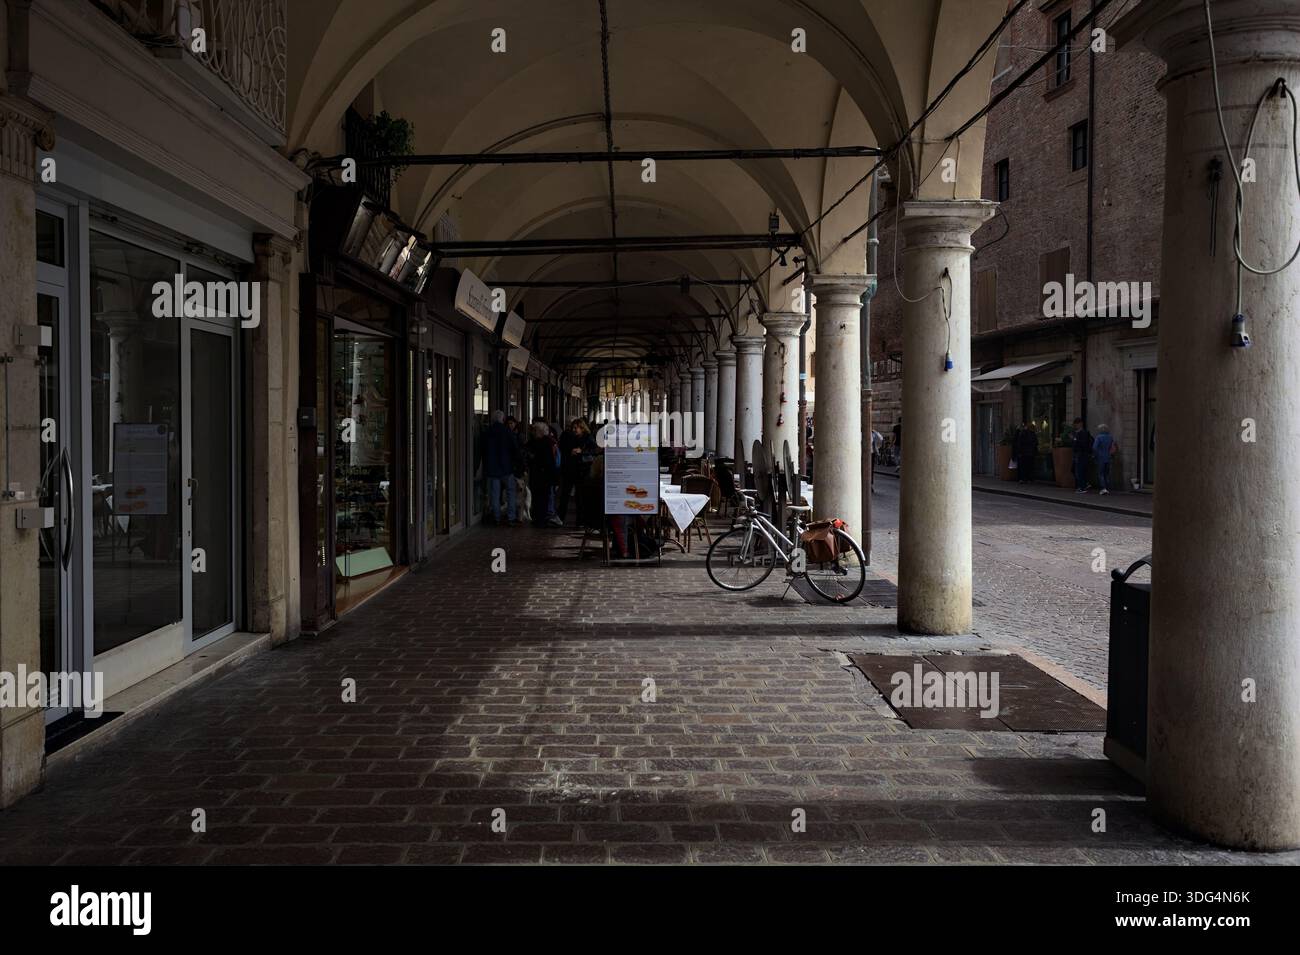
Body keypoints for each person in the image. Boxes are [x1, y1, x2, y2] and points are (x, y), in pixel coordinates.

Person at [557, 418, 597, 525]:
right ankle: (560, 518)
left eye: (576, 428)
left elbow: (594, 450)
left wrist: (582, 451)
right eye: (573, 428)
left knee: (580, 496)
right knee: (565, 494)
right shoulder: (568, 436)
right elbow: (562, 447)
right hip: (569, 469)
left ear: (582, 428)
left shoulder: (588, 438)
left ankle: (580, 520)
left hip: (582, 470)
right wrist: (570, 451)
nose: (574, 430)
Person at [525, 420, 561, 527]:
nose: (533, 432)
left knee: (541, 498)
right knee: (541, 498)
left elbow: (548, 461)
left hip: (542, 476)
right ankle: (540, 519)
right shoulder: (544, 442)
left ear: (539, 431)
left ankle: (540, 519)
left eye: (535, 430)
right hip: (542, 476)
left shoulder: (544, 443)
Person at [484, 410, 518, 525]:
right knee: (510, 492)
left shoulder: (488, 431)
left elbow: (484, 450)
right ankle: (511, 517)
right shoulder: (507, 431)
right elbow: (515, 449)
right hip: (507, 467)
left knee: (494, 493)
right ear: (503, 419)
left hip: (492, 468)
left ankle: (496, 517)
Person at [1071, 417, 1094, 493]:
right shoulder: (1077, 433)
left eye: (1076, 424)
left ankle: (1082, 487)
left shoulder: (1083, 433)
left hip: (1081, 454)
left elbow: (1083, 444)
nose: (1075, 426)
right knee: (1076, 470)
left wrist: (1074, 439)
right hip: (1078, 454)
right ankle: (1083, 485)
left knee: (1080, 471)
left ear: (1080, 424)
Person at [1093, 424, 1115, 495]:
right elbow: (1112, 447)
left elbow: (1094, 447)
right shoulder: (1110, 437)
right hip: (1108, 457)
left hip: (1100, 457)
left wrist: (1094, 455)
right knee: (1106, 474)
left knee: (1101, 474)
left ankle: (1103, 488)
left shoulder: (1099, 437)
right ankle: (1107, 487)